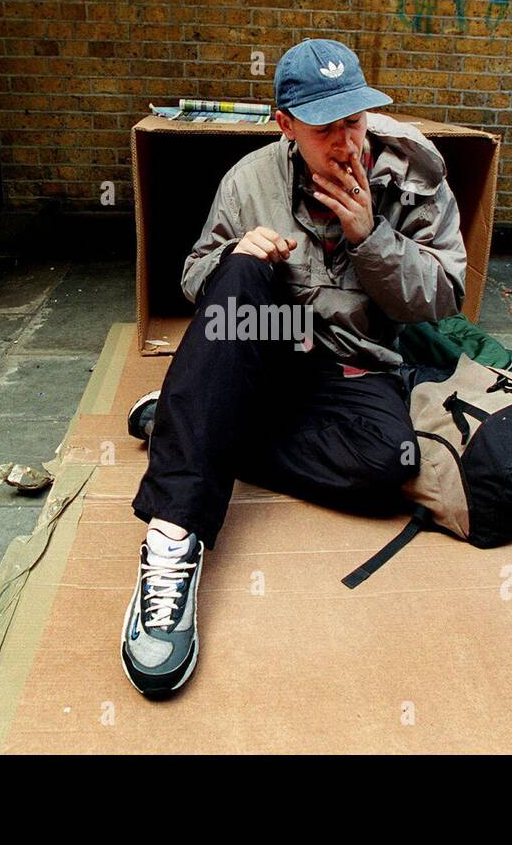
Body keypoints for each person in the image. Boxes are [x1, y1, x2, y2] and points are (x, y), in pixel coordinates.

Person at [120, 38, 467, 696]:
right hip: (270, 347)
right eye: (324, 126)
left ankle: (189, 426)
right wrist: (237, 260)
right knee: (243, 270)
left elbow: (445, 297)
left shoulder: (415, 179)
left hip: (355, 364)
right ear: (284, 124)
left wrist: (374, 239)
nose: (345, 142)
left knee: (387, 466)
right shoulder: (250, 178)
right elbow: (196, 280)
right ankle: (173, 535)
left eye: (354, 120)